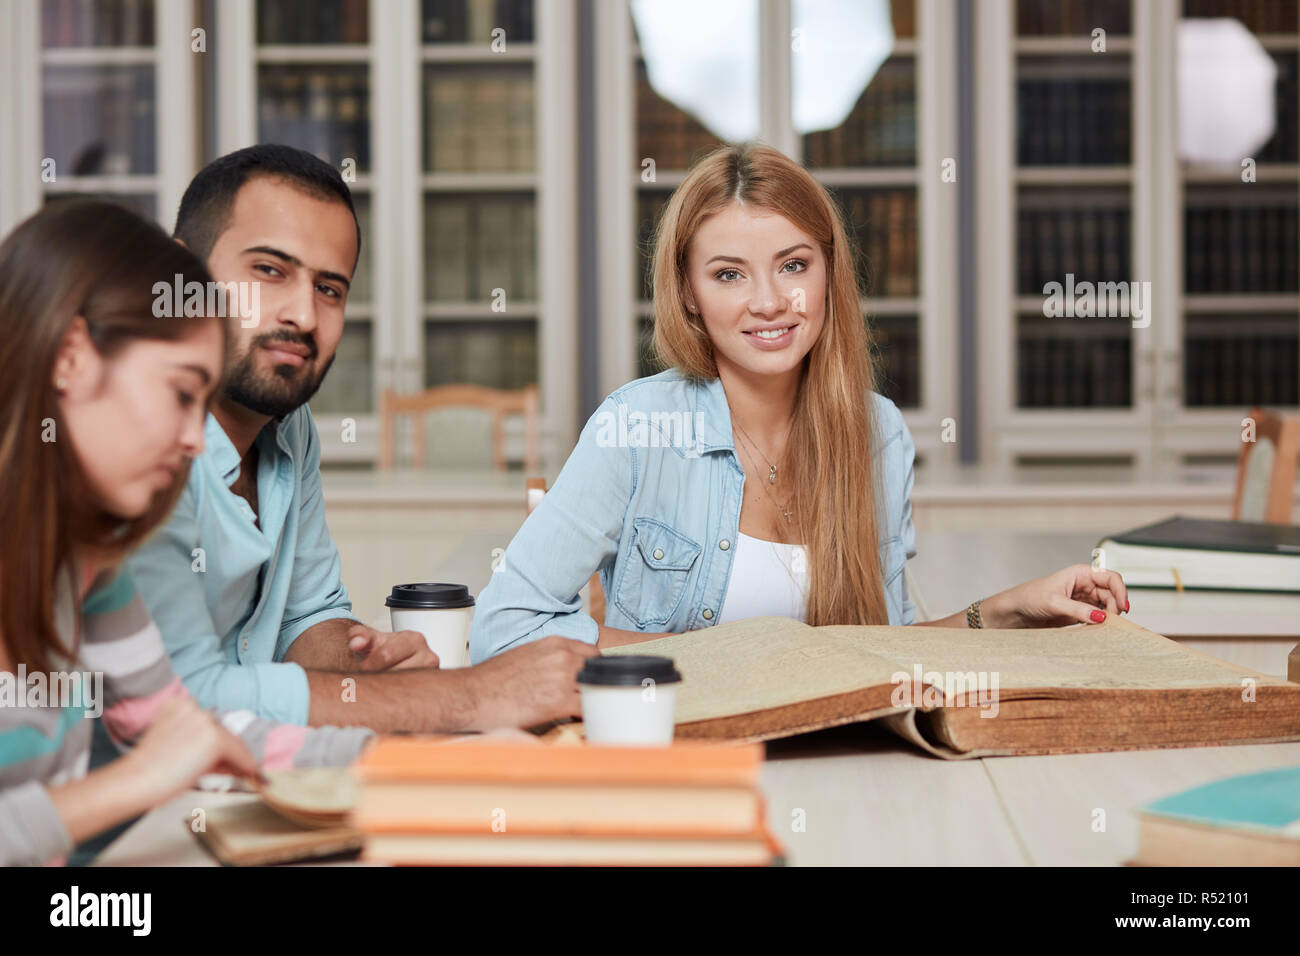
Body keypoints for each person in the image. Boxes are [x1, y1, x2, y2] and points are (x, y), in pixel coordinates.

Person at [471, 144, 1130, 661]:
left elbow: (883, 652)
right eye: (729, 273)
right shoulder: (635, 429)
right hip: (689, 764)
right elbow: (502, 629)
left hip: (841, 776)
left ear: (828, 270)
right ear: (689, 292)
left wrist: (1010, 610)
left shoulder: (879, 434)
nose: (768, 301)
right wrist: (737, 659)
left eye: (792, 265)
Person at [120, 144, 595, 732]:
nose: (303, 315)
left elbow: (306, 620)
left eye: (330, 289)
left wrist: (370, 672)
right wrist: (469, 695)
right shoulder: (131, 441)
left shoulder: (289, 428)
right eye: (270, 270)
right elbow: (179, 700)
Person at [0, 201, 373, 866]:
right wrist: (136, 781)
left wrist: (418, 762)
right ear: (70, 358)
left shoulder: (89, 565)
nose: (193, 441)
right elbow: (162, 757)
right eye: (179, 395)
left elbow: (188, 732)